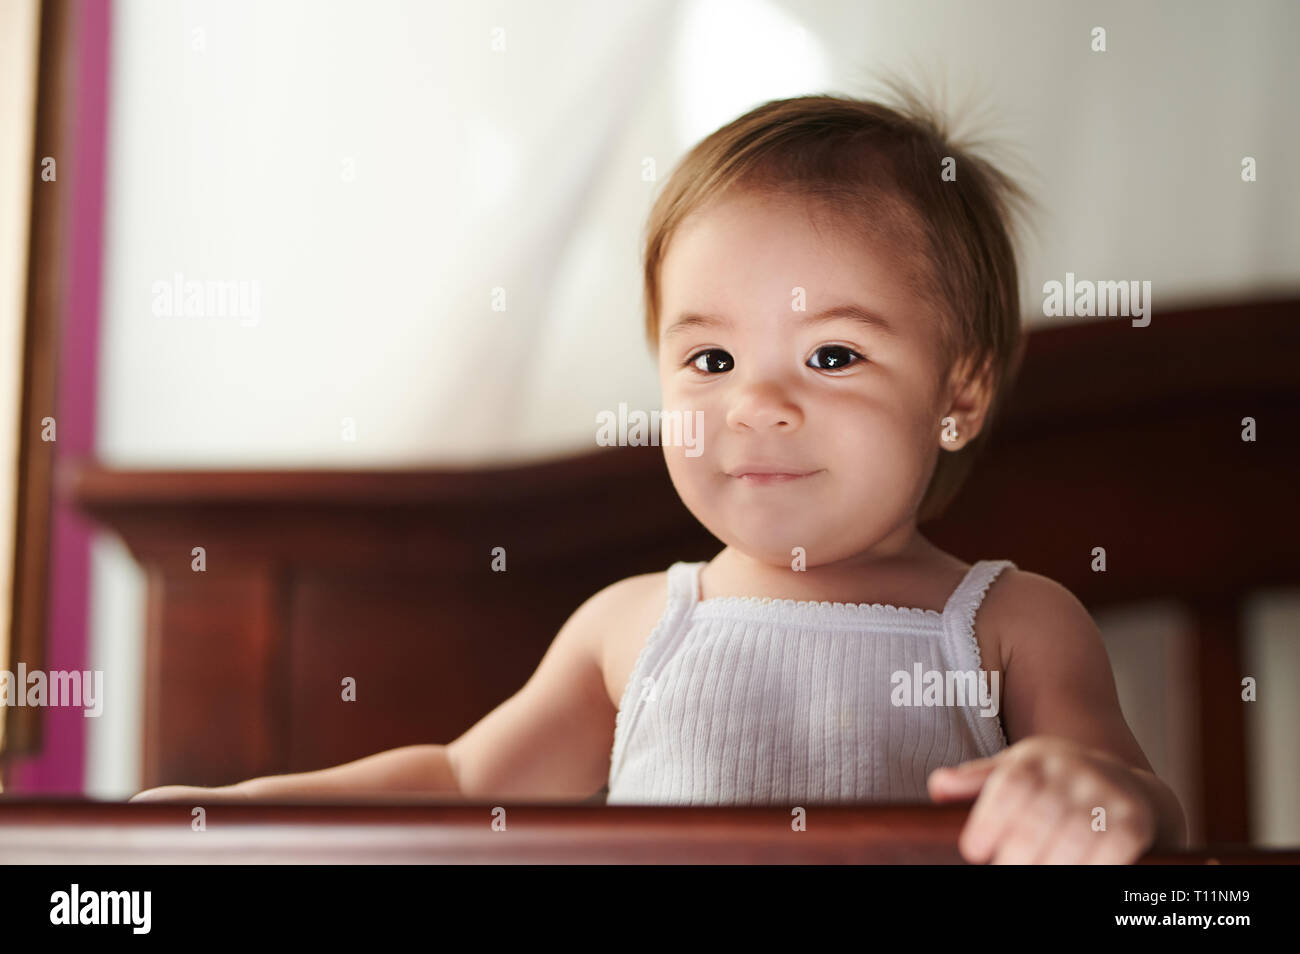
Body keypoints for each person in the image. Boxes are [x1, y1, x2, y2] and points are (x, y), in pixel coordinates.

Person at [134, 85, 1186, 864]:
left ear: (958, 396)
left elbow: (1150, 813)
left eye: (831, 356)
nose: (754, 403)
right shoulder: (633, 628)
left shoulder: (1009, 622)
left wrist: (1098, 800)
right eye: (710, 359)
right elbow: (461, 781)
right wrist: (231, 813)